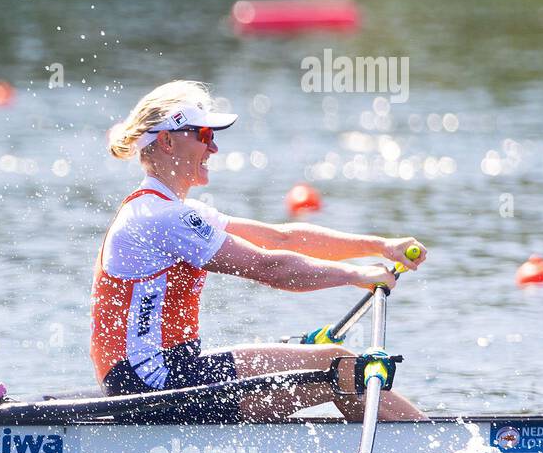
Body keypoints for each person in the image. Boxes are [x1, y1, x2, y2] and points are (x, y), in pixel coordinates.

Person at [91, 80, 427, 423]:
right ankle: (431, 448)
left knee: (337, 366)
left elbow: (280, 239)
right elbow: (271, 268)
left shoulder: (167, 209)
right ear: (166, 140)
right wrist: (356, 275)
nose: (214, 149)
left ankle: (409, 443)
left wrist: (381, 246)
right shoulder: (162, 217)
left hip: (166, 373)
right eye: (205, 135)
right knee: (341, 366)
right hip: (153, 385)